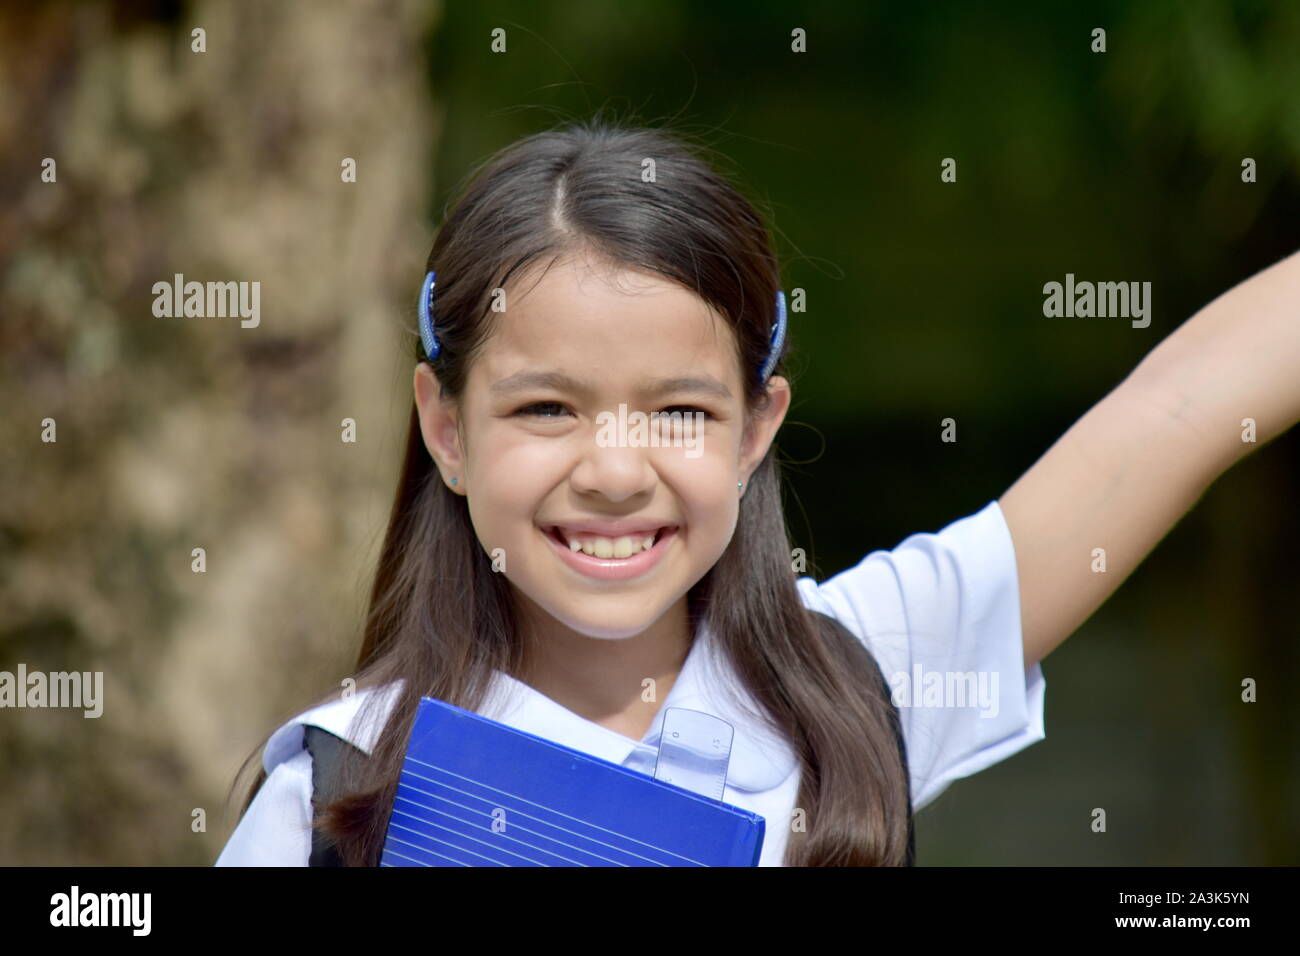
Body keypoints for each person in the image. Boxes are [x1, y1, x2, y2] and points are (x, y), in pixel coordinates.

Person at [214, 117, 1300, 867]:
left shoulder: (849, 677)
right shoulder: (336, 792)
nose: (613, 468)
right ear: (444, 426)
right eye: (547, 408)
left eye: (680, 410)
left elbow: (1183, 404)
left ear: (754, 429)